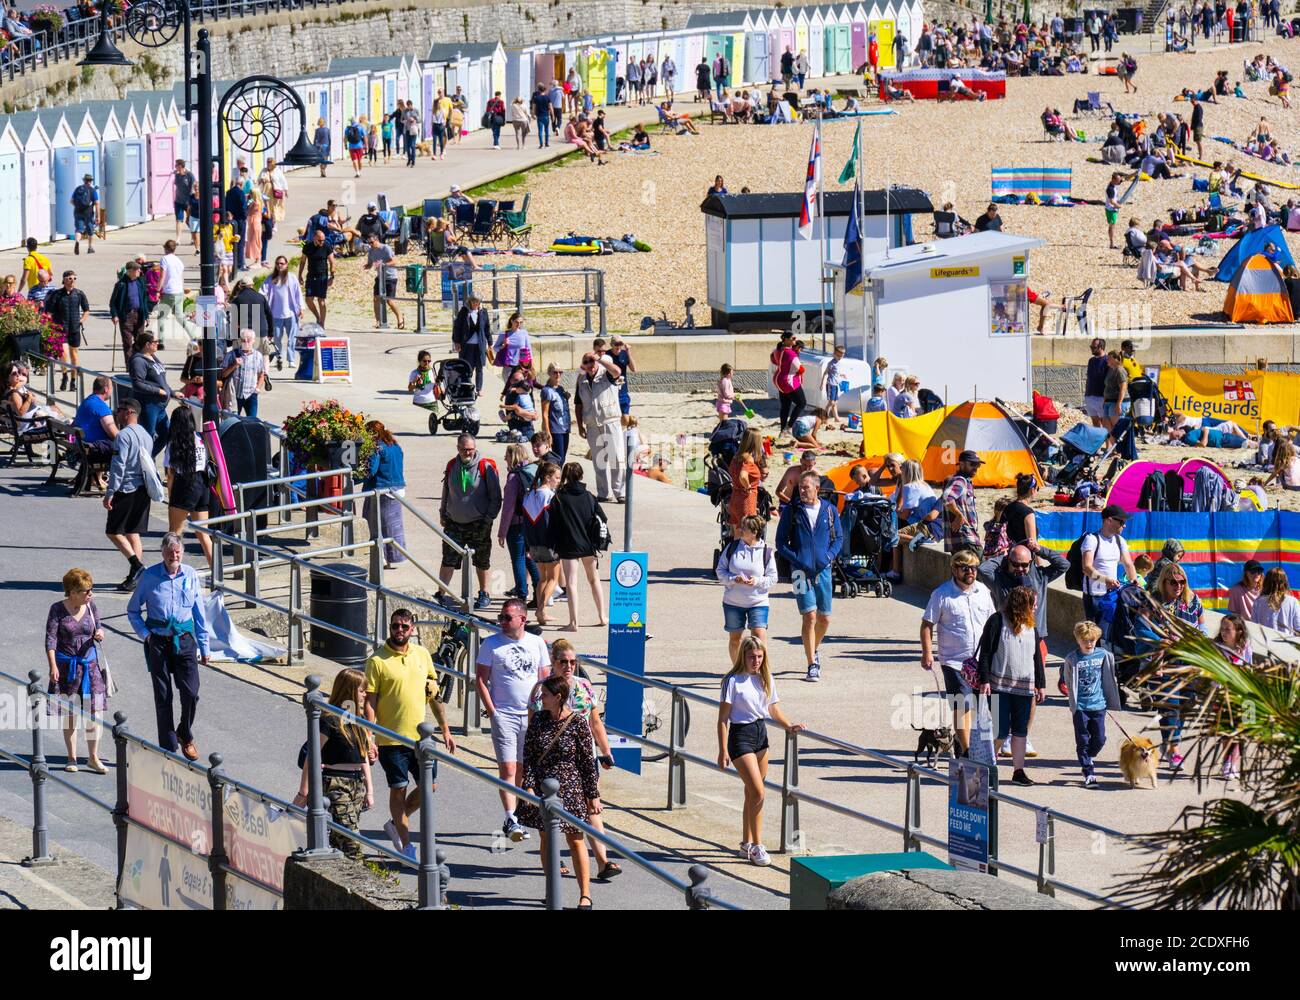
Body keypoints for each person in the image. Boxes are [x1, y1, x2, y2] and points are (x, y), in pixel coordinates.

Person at [365, 608, 455, 862]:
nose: (400, 631)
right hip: (391, 739)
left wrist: (445, 729)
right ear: (390, 628)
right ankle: (406, 846)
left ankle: (396, 822)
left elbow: (434, 694)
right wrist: (368, 736)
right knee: (399, 789)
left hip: (421, 739)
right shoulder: (377, 661)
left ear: (412, 629)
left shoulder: (422, 654)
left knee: (430, 785)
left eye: (405, 626)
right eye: (395, 626)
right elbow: (369, 702)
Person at [528, 639, 621, 878]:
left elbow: (596, 722)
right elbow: (533, 729)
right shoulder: (542, 690)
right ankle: (553, 859)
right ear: (553, 662)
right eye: (563, 662)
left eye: (573, 662)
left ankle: (603, 862)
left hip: (582, 759)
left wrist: (606, 750)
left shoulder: (584, 687)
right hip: (549, 763)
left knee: (592, 807)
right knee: (549, 816)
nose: (569, 666)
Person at [716, 636, 803, 867]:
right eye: (752, 656)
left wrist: (788, 725)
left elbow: (773, 709)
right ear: (743, 656)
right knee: (758, 792)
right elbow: (723, 718)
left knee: (751, 794)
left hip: (760, 734)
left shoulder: (766, 678)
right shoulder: (732, 681)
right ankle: (757, 844)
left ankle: (746, 842)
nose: (756, 661)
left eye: (760, 656)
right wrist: (722, 749)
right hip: (740, 736)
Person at [515, 675, 600, 908]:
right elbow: (529, 756)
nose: (541, 699)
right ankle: (552, 888)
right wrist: (529, 784)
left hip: (571, 787)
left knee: (575, 840)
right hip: (543, 786)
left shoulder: (578, 723)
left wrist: (592, 795)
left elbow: (586, 762)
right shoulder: (539, 720)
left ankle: (585, 894)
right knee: (546, 838)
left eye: (545, 695)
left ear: (558, 697)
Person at [126, 534, 210, 760]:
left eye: (178, 551)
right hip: (159, 641)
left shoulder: (191, 575)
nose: (175, 555)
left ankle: (184, 732)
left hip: (184, 640)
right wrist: (145, 635)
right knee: (163, 696)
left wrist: (204, 645)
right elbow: (133, 610)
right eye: (171, 551)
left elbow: (199, 613)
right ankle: (169, 748)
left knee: (191, 692)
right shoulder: (149, 576)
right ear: (163, 552)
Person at [475, 597, 551, 841]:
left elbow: (544, 680)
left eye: (508, 617)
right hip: (504, 715)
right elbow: (480, 680)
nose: (503, 621)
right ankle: (511, 817)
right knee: (507, 767)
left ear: (523, 620)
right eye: (501, 617)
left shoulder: (536, 643)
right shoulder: (491, 644)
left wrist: (541, 712)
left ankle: (516, 814)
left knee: (523, 768)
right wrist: (493, 712)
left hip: (530, 715)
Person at [292, 668, 374, 860]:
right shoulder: (330, 720)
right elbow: (312, 755)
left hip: (356, 784)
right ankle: (360, 880)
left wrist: (369, 790)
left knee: (340, 839)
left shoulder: (357, 720)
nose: (365, 695)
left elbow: (363, 758)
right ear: (349, 691)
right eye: (362, 691)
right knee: (352, 841)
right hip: (336, 783)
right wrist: (303, 791)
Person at [922, 550, 996, 758]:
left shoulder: (983, 591)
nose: (970, 572)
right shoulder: (941, 594)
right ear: (954, 569)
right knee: (961, 704)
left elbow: (992, 624)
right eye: (965, 568)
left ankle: (962, 740)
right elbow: (927, 625)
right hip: (954, 661)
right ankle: (967, 752)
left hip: (981, 661)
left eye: (974, 568)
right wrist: (927, 653)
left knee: (977, 707)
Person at [776, 469, 843, 683]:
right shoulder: (792, 511)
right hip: (799, 572)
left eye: (806, 487)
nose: (802, 491)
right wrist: (797, 559)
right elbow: (780, 542)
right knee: (810, 616)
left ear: (817, 488)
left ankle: (813, 649)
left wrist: (829, 556)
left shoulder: (830, 510)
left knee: (825, 618)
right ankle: (811, 664)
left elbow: (839, 538)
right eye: (800, 487)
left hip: (824, 569)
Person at [975, 585, 1045, 786]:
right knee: (999, 730)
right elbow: (986, 653)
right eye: (1033, 603)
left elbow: (1037, 658)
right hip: (998, 686)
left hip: (1024, 688)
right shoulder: (997, 621)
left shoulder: (1032, 627)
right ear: (1022, 604)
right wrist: (984, 680)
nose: (1036, 607)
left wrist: (1041, 684)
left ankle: (1018, 771)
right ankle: (988, 766)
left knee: (1020, 730)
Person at [45, 567, 109, 774]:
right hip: (67, 669)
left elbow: (98, 628)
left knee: (95, 713)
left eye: (91, 589)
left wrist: (99, 633)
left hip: (90, 667)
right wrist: (53, 666)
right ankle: (71, 757)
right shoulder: (57, 609)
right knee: (70, 714)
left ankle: (93, 757)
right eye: (86, 590)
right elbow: (50, 639)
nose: (90, 594)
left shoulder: (91, 607)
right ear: (72, 592)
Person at [438, 434, 502, 612]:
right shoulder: (452, 465)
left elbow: (496, 497)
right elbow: (446, 490)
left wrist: (488, 520)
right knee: (448, 560)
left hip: (478, 523)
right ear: (457, 448)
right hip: (453, 522)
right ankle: (441, 593)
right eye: (464, 449)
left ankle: (484, 593)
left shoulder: (485, 466)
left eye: (470, 449)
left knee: (482, 561)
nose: (467, 452)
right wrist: (443, 512)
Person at [104, 396, 161, 593]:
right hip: (143, 489)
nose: (116, 413)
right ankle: (134, 578)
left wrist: (110, 492)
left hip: (126, 489)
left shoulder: (123, 436)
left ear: (129, 412)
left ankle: (137, 566)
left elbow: (118, 466)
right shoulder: (146, 434)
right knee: (133, 532)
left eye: (119, 409)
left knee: (113, 531)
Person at [547, 463, 608, 632]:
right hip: (588, 544)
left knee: (572, 583)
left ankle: (574, 623)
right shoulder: (589, 496)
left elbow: (552, 524)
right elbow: (602, 517)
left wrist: (552, 544)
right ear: (581, 476)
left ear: (565, 477)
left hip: (568, 545)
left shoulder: (558, 497)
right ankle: (602, 615)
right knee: (594, 579)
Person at [1062, 620, 1120, 788]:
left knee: (1100, 738)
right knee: (1082, 740)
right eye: (1084, 640)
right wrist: (1073, 705)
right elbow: (1067, 678)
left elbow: (1109, 677)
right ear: (1078, 640)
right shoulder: (1072, 659)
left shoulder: (1103, 655)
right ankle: (1088, 772)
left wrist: (1109, 699)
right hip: (1081, 707)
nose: (1088, 644)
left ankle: (1088, 757)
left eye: (1091, 640)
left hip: (1099, 704)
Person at [716, 515, 777, 662]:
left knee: (759, 635)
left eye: (744, 528)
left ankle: (761, 671)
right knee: (735, 638)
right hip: (733, 602)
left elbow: (773, 578)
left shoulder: (766, 552)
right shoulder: (732, 547)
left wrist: (756, 581)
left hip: (758, 602)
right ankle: (738, 670)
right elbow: (720, 571)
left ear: (754, 532)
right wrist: (733, 579)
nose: (740, 529)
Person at [163, 405, 213, 568]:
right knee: (203, 534)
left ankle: (172, 568)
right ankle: (216, 570)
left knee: (175, 533)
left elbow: (170, 475)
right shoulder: (200, 439)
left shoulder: (173, 444)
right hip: (202, 484)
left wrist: (171, 499)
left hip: (184, 486)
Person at [574, 351, 625, 503]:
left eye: (591, 361)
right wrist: (580, 426)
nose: (590, 364)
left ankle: (620, 492)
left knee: (616, 457)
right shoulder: (581, 379)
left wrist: (600, 360)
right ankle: (603, 492)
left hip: (609, 420)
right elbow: (578, 404)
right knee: (599, 460)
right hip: (591, 423)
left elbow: (617, 371)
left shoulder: (606, 374)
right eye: (586, 361)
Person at [498, 443, 541, 604]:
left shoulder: (514, 477)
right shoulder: (533, 471)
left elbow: (508, 508)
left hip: (516, 524)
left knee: (518, 558)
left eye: (507, 456)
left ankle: (521, 594)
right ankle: (539, 592)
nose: (504, 458)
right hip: (532, 522)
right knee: (530, 558)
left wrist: (502, 532)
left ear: (513, 457)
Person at [523, 461, 563, 624]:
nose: (558, 481)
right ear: (547, 477)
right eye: (557, 478)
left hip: (533, 543)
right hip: (549, 543)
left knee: (542, 579)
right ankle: (541, 611)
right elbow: (554, 521)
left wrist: (527, 545)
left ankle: (541, 612)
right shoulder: (550, 496)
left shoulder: (529, 495)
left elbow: (526, 522)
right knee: (553, 578)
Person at [363, 421, 406, 571]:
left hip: (381, 489)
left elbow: (372, 470)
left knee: (374, 524)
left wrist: (357, 476)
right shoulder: (396, 446)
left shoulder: (377, 448)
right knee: (392, 526)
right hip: (398, 489)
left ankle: (380, 558)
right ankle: (391, 558)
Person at [108, 260, 151, 366]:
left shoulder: (140, 282)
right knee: (127, 342)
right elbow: (113, 302)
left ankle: (139, 364)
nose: (139, 271)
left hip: (139, 315)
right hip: (126, 316)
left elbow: (144, 301)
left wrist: (146, 315)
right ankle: (129, 365)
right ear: (130, 271)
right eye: (137, 269)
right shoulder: (121, 284)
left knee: (140, 341)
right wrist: (114, 315)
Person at [264, 256, 302, 373]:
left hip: (291, 313)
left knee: (292, 338)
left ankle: (291, 360)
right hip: (275, 314)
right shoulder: (271, 278)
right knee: (277, 339)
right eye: (278, 263)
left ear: (286, 264)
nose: (280, 265)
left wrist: (301, 307)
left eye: (282, 263)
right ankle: (278, 358)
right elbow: (262, 291)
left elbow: (298, 293)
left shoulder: (292, 278)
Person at [941, 450, 983, 555]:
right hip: (965, 538)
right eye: (972, 464)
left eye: (978, 465)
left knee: (962, 571)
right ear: (962, 464)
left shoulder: (964, 481)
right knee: (981, 569)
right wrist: (959, 515)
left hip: (958, 540)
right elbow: (947, 498)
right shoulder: (960, 480)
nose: (976, 468)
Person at [218, 329, 266, 419]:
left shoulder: (258, 356)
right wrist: (234, 365)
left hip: (251, 394)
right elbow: (223, 374)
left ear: (254, 340)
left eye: (249, 339)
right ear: (240, 340)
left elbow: (261, 374)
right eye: (244, 340)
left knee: (252, 422)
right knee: (233, 422)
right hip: (234, 395)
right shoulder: (231, 355)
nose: (246, 342)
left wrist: (257, 389)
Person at [727, 428, 767, 530]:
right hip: (746, 500)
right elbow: (743, 475)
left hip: (735, 497)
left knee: (736, 535)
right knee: (747, 534)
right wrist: (748, 487)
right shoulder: (748, 458)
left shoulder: (736, 457)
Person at [363, 234, 404, 331]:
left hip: (390, 277)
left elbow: (394, 261)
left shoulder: (386, 248)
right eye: (369, 243)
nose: (370, 244)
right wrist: (367, 266)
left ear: (377, 240)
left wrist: (383, 265)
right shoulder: (371, 251)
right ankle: (378, 321)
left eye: (372, 242)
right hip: (380, 277)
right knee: (376, 298)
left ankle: (400, 318)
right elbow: (370, 263)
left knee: (389, 300)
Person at [452, 295, 491, 394]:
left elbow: (487, 328)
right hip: (467, 345)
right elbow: (457, 327)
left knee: (479, 367)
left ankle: (479, 389)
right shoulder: (464, 312)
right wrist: (456, 342)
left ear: (479, 302)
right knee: (467, 368)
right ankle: (467, 387)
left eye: (477, 301)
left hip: (479, 345)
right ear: (469, 302)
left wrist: (490, 342)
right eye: (473, 301)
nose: (475, 303)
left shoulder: (483, 312)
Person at [298, 229, 335, 328]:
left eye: (323, 240)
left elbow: (332, 262)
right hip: (311, 276)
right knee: (308, 299)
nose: (321, 242)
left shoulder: (327, 246)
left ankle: (322, 323)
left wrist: (332, 276)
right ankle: (318, 317)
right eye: (319, 240)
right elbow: (302, 261)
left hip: (322, 276)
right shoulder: (307, 246)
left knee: (321, 301)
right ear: (314, 237)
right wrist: (300, 274)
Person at [1251, 567, 1300, 634]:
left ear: (1266, 582)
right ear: (1285, 582)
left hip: (1264, 643)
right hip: (1286, 643)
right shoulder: (1293, 602)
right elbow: (1298, 628)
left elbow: (1253, 629)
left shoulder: (1258, 602)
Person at [539, 363, 571, 462]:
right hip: (555, 429)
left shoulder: (560, 389)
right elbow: (545, 414)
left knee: (562, 458)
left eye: (560, 372)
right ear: (549, 373)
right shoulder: (546, 391)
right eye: (555, 372)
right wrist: (548, 434)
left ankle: (557, 476)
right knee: (558, 458)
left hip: (565, 428)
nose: (558, 375)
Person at [999, 474, 1039, 548]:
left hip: (1007, 553)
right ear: (1032, 490)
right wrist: (1039, 559)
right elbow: (1033, 545)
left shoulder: (1008, 507)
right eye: (1037, 489)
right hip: (1022, 555)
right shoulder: (1028, 513)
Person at [1082, 338, 1109, 427]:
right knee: (1095, 421)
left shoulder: (1107, 360)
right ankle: (1098, 440)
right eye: (1091, 346)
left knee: (1104, 421)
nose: (1092, 348)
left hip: (1101, 397)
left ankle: (1108, 440)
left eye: (1094, 347)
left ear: (1101, 347)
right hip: (1090, 396)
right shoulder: (1091, 360)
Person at [71, 174, 98, 255]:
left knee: (78, 229)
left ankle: (77, 242)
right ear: (91, 181)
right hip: (88, 213)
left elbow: (71, 201)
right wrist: (98, 216)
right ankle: (90, 248)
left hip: (78, 211)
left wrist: (77, 206)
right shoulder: (93, 190)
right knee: (90, 231)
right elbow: (97, 203)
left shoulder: (78, 189)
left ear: (84, 180)